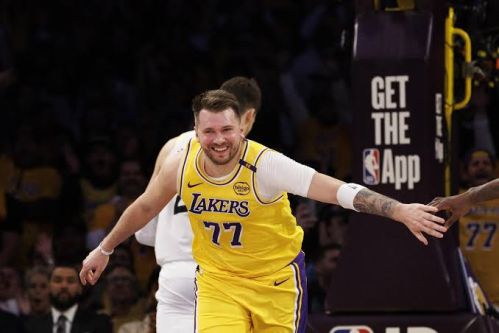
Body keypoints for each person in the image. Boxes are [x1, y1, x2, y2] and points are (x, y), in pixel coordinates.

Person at [80, 89, 447, 332]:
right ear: (195, 130)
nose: (219, 139)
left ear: (242, 127)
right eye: (209, 131)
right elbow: (145, 206)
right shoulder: (182, 162)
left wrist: (399, 210)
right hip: (219, 281)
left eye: (227, 129)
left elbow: (336, 190)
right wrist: (104, 248)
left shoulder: (266, 165)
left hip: (274, 282)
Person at [134, 76, 261, 332]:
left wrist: (174, 234)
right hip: (222, 275)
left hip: (174, 275)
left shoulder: (171, 147)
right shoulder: (251, 155)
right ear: (248, 116)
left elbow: (144, 231)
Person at [431, 149, 499, 310]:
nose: (481, 168)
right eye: (475, 164)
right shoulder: (454, 199)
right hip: (471, 287)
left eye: (486, 164)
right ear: (465, 171)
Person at [25, 263, 112, 333]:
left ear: (80, 288)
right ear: (48, 287)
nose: (64, 286)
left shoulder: (99, 323)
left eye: (70, 281)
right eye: (57, 280)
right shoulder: (32, 326)